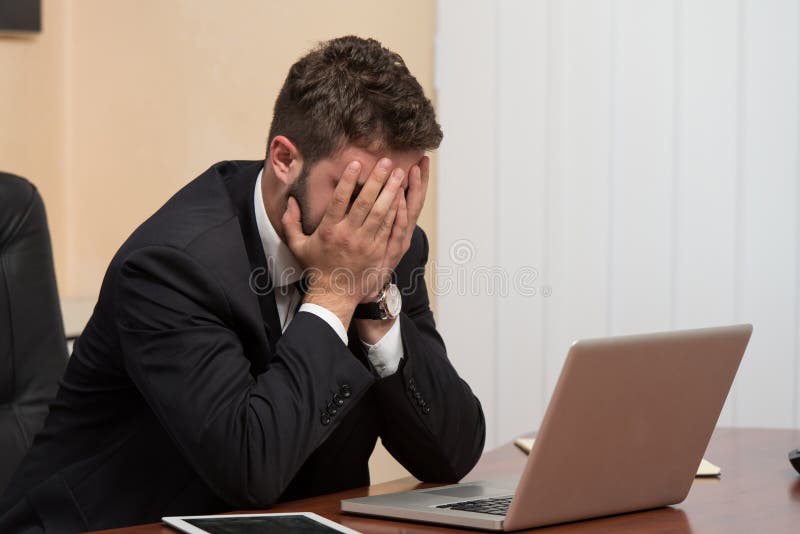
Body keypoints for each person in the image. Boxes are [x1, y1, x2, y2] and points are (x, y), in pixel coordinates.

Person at [0, 35, 485, 532]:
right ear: (284, 159)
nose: (378, 218)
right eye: (359, 192)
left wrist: (375, 306)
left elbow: (452, 456)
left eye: (397, 192)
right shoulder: (169, 267)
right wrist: (338, 292)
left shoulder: (384, 248)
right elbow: (250, 468)